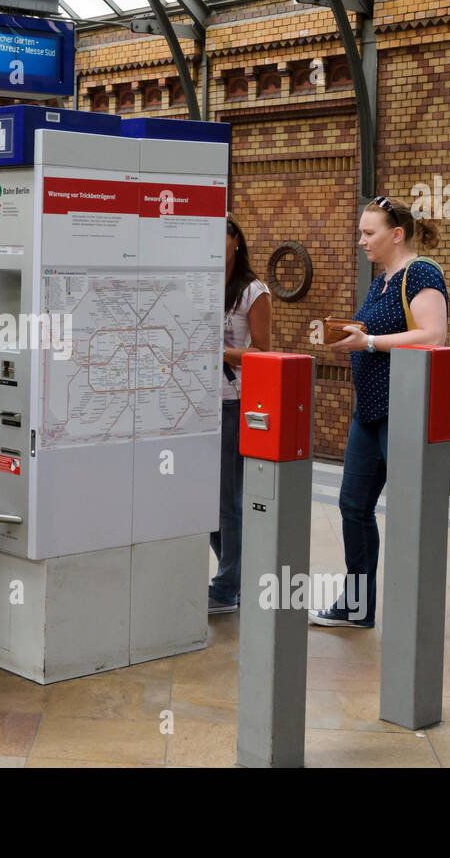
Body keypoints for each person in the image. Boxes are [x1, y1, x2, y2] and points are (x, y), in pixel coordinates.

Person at [311, 195, 447, 629]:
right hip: (369, 411)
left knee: (407, 510)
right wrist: (353, 334)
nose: (361, 241)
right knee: (353, 505)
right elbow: (385, 330)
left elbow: (433, 336)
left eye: (369, 233)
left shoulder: (421, 273)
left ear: (397, 234)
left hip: (403, 412)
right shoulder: (381, 280)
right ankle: (356, 607)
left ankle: (412, 615)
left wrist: (367, 343)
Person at [209, 215, 271, 613]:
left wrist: (222, 353)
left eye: (221, 236)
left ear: (236, 242)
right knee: (206, 497)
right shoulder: (203, 284)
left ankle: (228, 585)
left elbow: (264, 353)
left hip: (233, 402)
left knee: (228, 499)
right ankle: (238, 572)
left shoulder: (253, 290)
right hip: (199, 406)